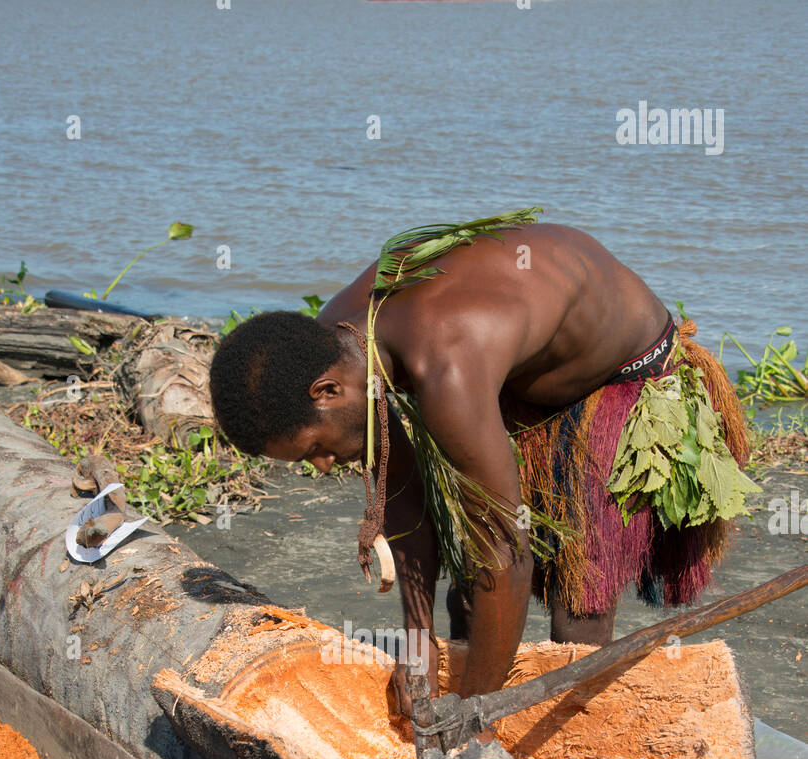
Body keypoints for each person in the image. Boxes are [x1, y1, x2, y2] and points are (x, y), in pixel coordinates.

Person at [209, 211, 757, 717]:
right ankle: (475, 691)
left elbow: (505, 554)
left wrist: (471, 718)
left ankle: (565, 734)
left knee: (575, 598)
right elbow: (399, 493)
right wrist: (418, 642)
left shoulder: (443, 356)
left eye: (315, 450)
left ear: (327, 391)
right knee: (468, 592)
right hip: (519, 377)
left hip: (621, 371)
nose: (326, 466)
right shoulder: (339, 345)